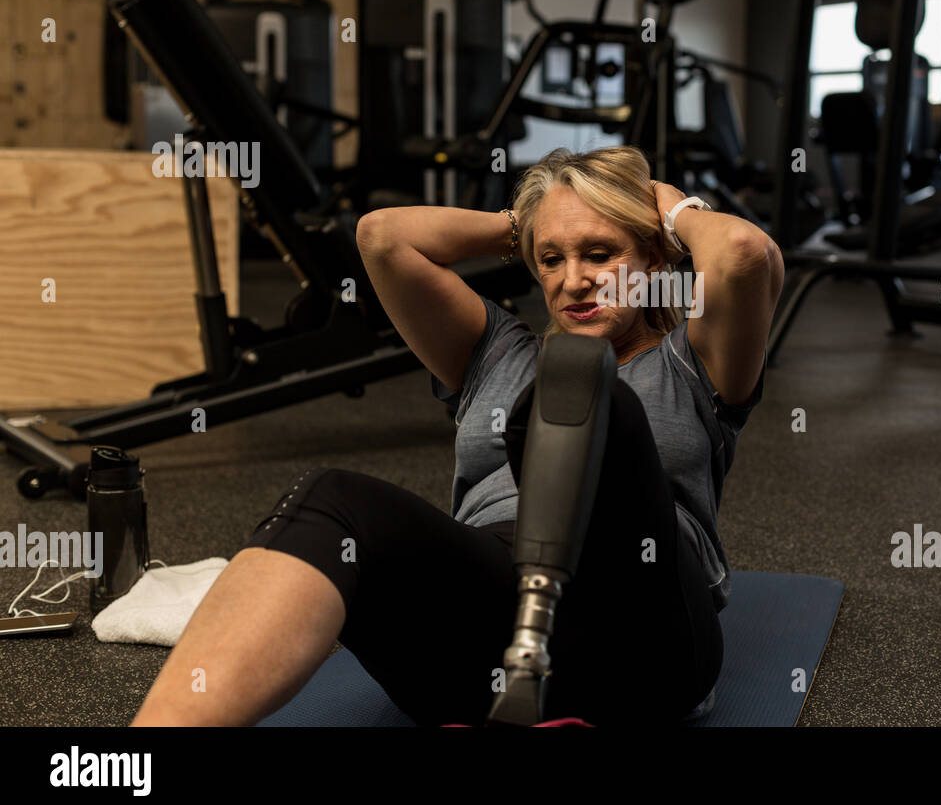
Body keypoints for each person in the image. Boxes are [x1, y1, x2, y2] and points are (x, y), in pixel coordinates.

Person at [131, 146, 783, 726]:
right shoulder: (494, 352)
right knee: (333, 499)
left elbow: (744, 253)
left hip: (641, 640)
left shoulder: (693, 362)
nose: (573, 279)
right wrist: (536, 214)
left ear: (654, 259)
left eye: (601, 253)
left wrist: (673, 211)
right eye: (550, 259)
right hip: (486, 635)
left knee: (582, 383)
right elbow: (382, 237)